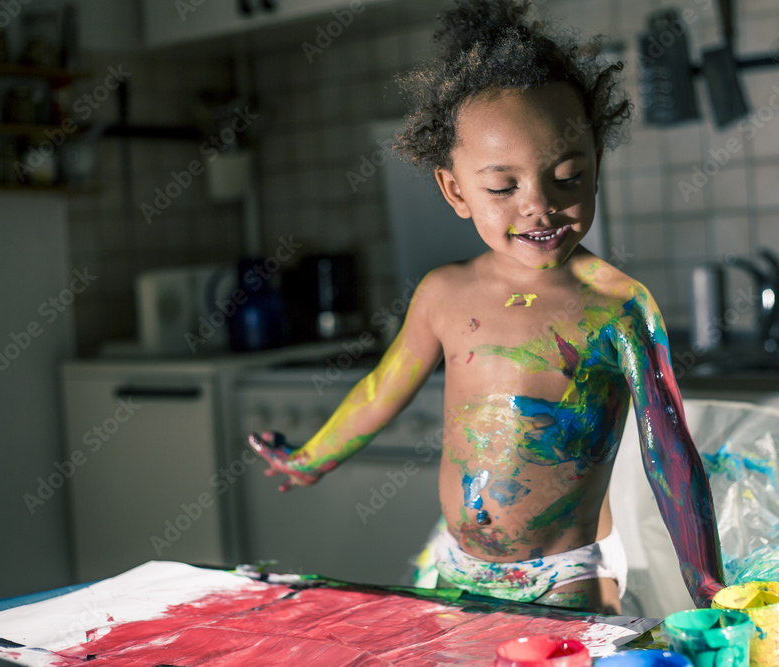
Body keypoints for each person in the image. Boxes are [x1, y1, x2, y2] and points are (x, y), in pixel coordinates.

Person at [249, 0, 725, 615]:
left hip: (567, 574)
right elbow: (379, 390)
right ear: (456, 190)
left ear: (597, 165)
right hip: (456, 565)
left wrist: (710, 587)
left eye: (568, 176)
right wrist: (312, 459)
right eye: (503, 187)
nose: (539, 206)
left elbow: (671, 454)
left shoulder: (619, 308)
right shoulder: (443, 294)